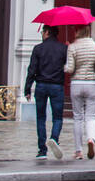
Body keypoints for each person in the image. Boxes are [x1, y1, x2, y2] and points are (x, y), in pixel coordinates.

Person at [65, 25, 95, 159]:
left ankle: (78, 151)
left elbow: (70, 69)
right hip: (93, 84)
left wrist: (66, 61)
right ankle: (91, 139)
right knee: (91, 116)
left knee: (78, 117)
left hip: (77, 84)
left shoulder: (72, 47)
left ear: (77, 31)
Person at [24, 25, 67, 159]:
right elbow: (68, 66)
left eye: (43, 32)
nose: (42, 34)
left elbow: (32, 69)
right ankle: (54, 138)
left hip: (41, 85)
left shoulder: (38, 48)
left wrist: (27, 88)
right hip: (57, 86)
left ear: (47, 32)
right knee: (58, 117)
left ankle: (42, 150)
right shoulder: (63, 48)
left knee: (41, 118)